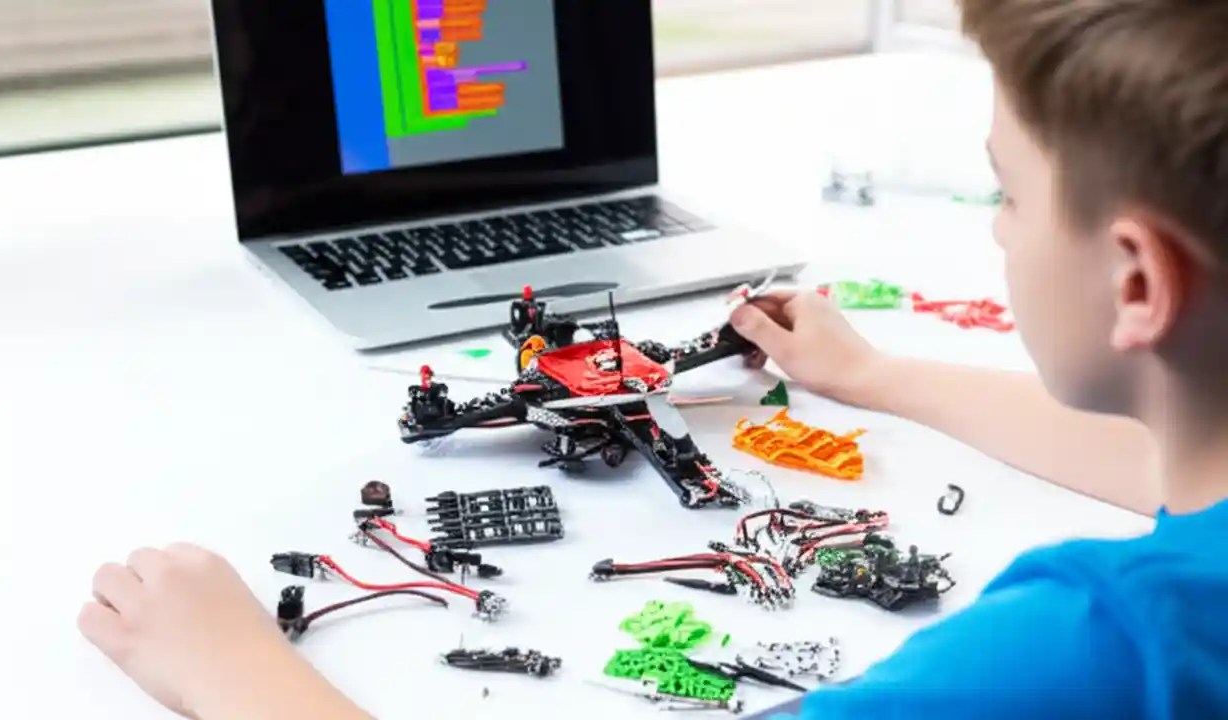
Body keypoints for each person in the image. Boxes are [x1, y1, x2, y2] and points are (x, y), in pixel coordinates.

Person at [78, 0, 1228, 717]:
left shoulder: (1095, 652)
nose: (995, 227)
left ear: (1133, 282)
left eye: (1008, 194)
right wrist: (876, 380)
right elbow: (1148, 453)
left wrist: (231, 676)